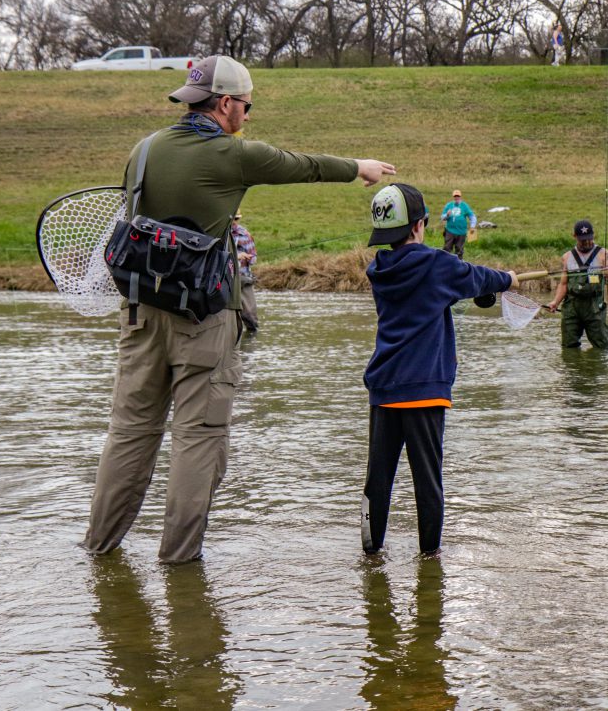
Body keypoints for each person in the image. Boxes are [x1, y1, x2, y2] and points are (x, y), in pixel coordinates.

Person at [81, 54, 396, 564]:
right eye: (246, 107)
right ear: (225, 103)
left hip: (139, 315)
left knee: (129, 434)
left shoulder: (143, 150)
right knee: (198, 439)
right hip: (203, 320)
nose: (248, 117)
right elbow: (303, 166)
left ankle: (98, 551)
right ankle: (179, 567)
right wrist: (360, 167)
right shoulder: (233, 155)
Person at [361, 183, 517, 556]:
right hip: (425, 392)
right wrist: (508, 279)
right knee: (427, 482)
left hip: (384, 389)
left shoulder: (378, 269)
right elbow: (480, 278)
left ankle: (370, 555)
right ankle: (430, 562)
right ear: (420, 225)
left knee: (377, 481)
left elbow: (460, 283)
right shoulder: (438, 265)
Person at [545, 219, 608, 350]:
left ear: (593, 235)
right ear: (574, 236)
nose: (587, 242)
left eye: (589, 239)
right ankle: (573, 368)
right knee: (569, 347)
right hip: (571, 307)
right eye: (583, 240)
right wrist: (555, 302)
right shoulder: (567, 257)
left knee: (602, 347)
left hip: (594, 307)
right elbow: (563, 284)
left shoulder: (604, 254)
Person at [230, 213, 258, 335]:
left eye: (237, 219)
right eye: (233, 219)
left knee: (250, 315)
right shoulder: (220, 234)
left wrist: (248, 257)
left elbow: (254, 259)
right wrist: (237, 256)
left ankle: (251, 338)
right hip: (227, 279)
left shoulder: (245, 235)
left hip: (243, 279)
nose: (235, 222)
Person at [439, 189, 476, 260]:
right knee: (446, 248)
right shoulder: (449, 205)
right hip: (450, 230)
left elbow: (472, 217)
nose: (456, 198)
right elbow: (442, 218)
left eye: (458, 196)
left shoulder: (464, 206)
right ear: (453, 197)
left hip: (461, 232)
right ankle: (445, 263)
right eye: (455, 196)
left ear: (460, 196)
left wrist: (472, 227)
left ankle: (459, 265)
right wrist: (447, 215)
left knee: (459, 250)